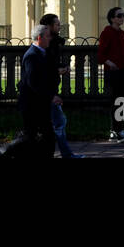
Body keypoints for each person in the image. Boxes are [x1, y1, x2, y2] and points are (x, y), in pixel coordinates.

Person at [0, 24, 57, 159]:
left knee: (41, 135)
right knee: (32, 137)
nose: (50, 38)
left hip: (40, 102)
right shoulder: (32, 55)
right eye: (47, 36)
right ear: (39, 38)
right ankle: (1, 152)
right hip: (31, 104)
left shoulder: (43, 53)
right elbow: (33, 82)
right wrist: (51, 96)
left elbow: (48, 73)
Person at [41, 13, 82, 159]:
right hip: (47, 91)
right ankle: (66, 154)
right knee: (59, 122)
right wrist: (57, 70)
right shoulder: (41, 48)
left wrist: (62, 67)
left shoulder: (55, 43)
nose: (59, 27)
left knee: (53, 124)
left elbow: (52, 63)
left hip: (51, 88)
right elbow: (43, 69)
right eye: (57, 24)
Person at [98, 6, 124, 142]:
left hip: (122, 71)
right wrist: (109, 63)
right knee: (116, 100)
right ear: (112, 18)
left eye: (123, 15)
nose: (122, 18)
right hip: (113, 72)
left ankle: (118, 130)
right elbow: (101, 54)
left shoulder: (122, 34)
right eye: (119, 16)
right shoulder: (107, 33)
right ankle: (117, 130)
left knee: (122, 100)